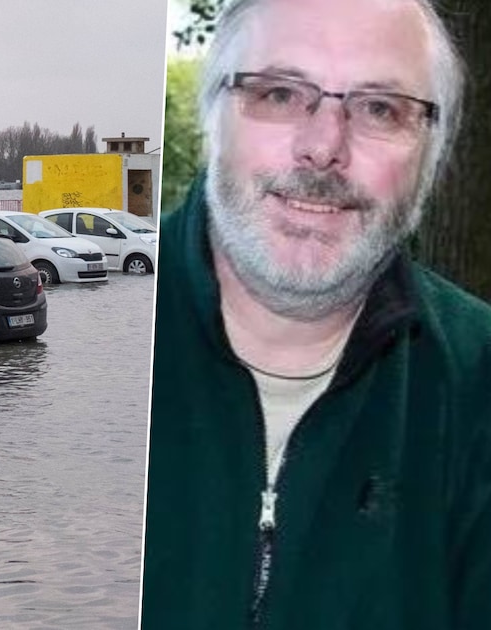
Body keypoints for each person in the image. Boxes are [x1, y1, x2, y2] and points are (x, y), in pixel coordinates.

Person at [142, 0, 491, 628]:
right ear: (211, 117)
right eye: (279, 93)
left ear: (432, 157)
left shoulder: (479, 389)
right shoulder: (65, 345)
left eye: (380, 108)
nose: (323, 147)